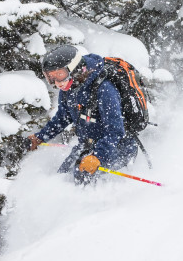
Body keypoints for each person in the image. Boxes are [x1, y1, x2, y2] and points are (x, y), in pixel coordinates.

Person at [24, 45, 140, 182]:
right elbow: (62, 117)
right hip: (87, 145)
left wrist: (98, 156)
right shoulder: (69, 88)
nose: (57, 83)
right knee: (62, 177)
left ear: (75, 68)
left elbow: (115, 131)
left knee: (81, 178)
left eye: (60, 75)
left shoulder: (104, 89)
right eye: (51, 78)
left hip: (117, 148)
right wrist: (40, 137)